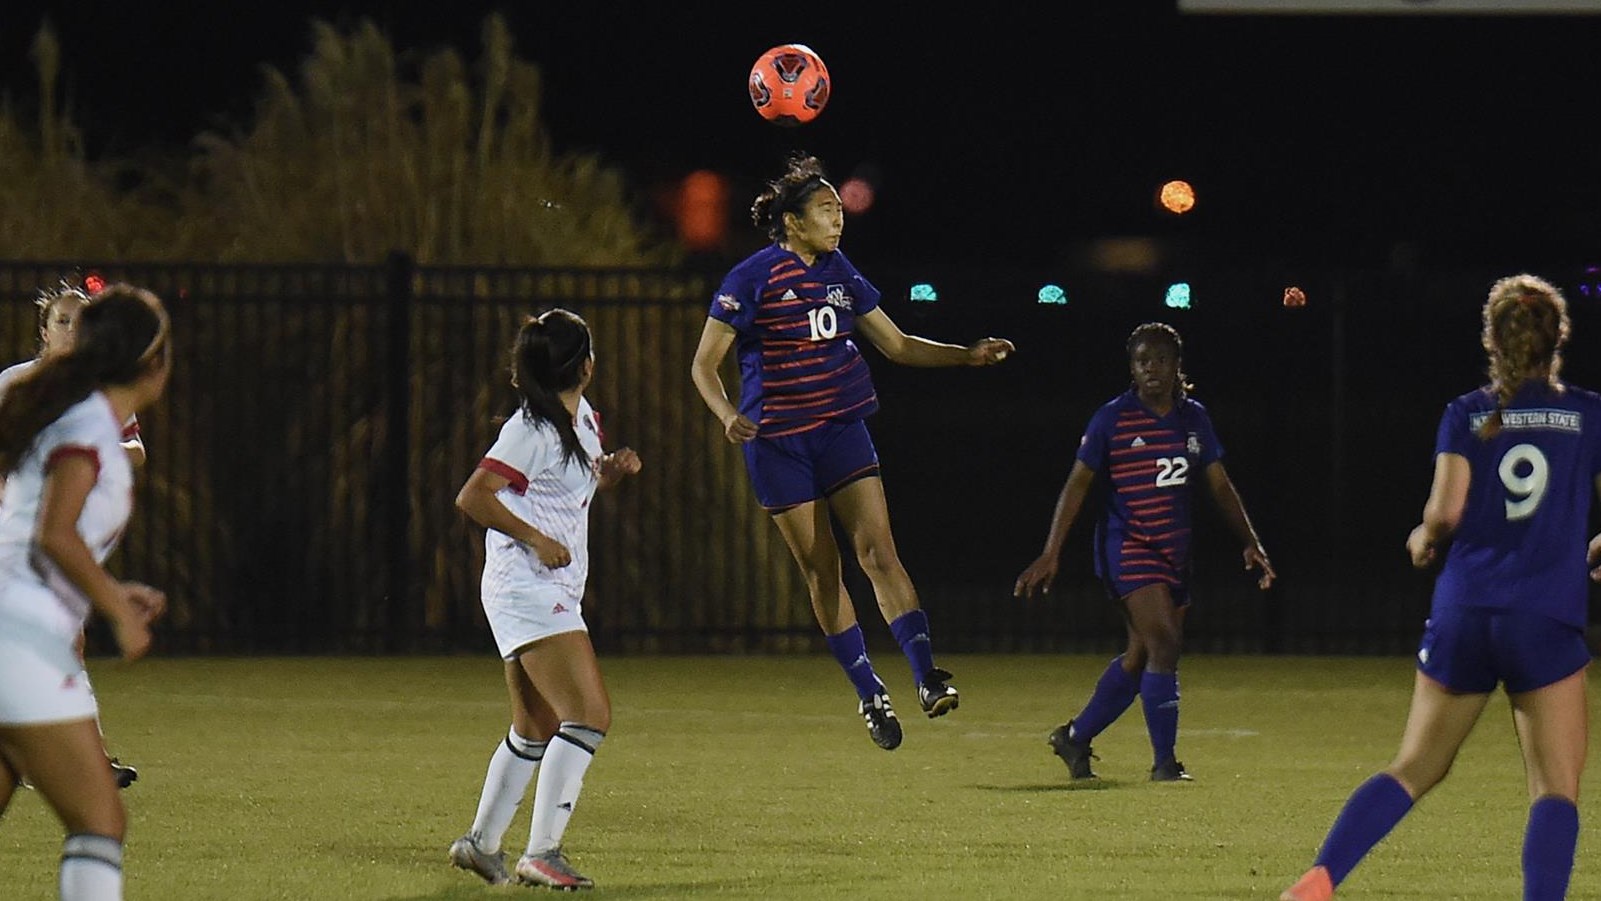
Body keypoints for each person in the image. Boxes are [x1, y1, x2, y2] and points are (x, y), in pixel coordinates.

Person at [1281, 274, 1596, 901]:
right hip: (1543, 614)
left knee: (1415, 767)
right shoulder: (1588, 414)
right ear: (1558, 338)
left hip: (1467, 609)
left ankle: (1319, 880)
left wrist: (1422, 538)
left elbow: (1445, 513)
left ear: (1493, 340)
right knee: (1555, 788)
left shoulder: (1466, 412)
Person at [689, 152, 1014, 751]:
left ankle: (926, 676)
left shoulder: (839, 270)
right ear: (792, 222)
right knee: (823, 568)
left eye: (839, 209)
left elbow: (897, 344)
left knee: (878, 551)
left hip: (841, 429)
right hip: (779, 443)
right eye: (825, 209)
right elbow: (704, 365)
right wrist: (728, 414)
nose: (838, 219)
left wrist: (965, 356)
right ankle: (869, 691)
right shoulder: (750, 277)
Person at [1013, 322, 1274, 781]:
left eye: (1161, 359)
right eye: (1142, 361)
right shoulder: (1112, 419)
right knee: (1165, 643)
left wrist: (1250, 540)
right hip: (1128, 548)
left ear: (1177, 366)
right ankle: (1165, 764)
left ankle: (1074, 737)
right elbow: (1077, 485)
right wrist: (1051, 552)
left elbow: (1219, 484)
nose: (1151, 368)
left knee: (1140, 656)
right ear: (1132, 368)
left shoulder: (1194, 418)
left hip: (1175, 552)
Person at [447, 308, 641, 890]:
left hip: (540, 586)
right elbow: (473, 496)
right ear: (585, 365)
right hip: (526, 586)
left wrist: (608, 473)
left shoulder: (579, 419)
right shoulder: (530, 429)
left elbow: (564, 487)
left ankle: (481, 845)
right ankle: (542, 853)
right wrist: (535, 538)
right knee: (590, 715)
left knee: (535, 724)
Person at [0, 284, 171, 901]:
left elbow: (39, 531)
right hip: (18, 634)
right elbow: (55, 535)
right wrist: (117, 610)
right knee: (100, 821)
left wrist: (112, 588)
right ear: (149, 362)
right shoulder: (88, 426)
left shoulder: (79, 416)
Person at [0, 283, 144, 791]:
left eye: (82, 323)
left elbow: (135, 452)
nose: (72, 330)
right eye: (62, 321)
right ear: (44, 331)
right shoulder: (14, 384)